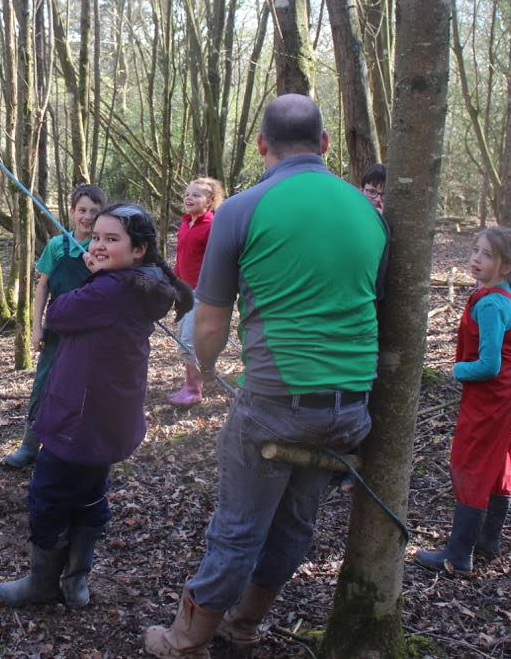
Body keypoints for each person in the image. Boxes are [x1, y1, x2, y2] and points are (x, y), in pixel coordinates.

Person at [144, 94, 388, 657]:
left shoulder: (241, 209)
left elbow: (209, 322)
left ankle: (186, 639)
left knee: (238, 528)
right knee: (295, 525)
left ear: (261, 145)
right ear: (324, 144)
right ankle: (244, 624)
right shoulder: (369, 213)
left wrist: (206, 368)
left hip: (276, 407)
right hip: (351, 410)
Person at [0, 203, 193, 610]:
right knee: (89, 492)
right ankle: (75, 582)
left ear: (139, 250)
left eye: (111, 239)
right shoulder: (141, 282)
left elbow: (59, 313)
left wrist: (91, 274)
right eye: (96, 237)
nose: (97, 245)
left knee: (48, 494)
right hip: (106, 417)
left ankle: (43, 583)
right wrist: (99, 271)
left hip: (80, 418)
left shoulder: (111, 289)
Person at [414, 226, 511, 576]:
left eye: (487, 255)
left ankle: (459, 555)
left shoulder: (492, 303)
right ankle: (488, 541)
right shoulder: (493, 294)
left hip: (494, 393)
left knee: (472, 462)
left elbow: (489, 365)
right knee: (497, 459)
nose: (476, 259)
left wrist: (456, 370)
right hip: (506, 391)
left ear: (506, 267)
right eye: (476, 250)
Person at [3, 183, 107, 468]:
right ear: (72, 212)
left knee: (87, 387)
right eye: (82, 210)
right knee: (45, 384)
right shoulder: (56, 246)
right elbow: (43, 287)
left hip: (91, 333)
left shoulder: (103, 248)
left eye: (94, 211)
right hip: (58, 330)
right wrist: (37, 327)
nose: (87, 217)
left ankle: (80, 445)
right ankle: (30, 445)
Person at [167, 177, 225, 407]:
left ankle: (194, 389)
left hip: (202, 292)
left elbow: (217, 261)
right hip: (184, 291)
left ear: (209, 201)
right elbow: (181, 258)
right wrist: (174, 282)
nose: (189, 198)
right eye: (187, 194)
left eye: (196, 195)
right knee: (184, 337)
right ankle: (194, 382)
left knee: (189, 341)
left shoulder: (212, 226)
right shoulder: (184, 223)